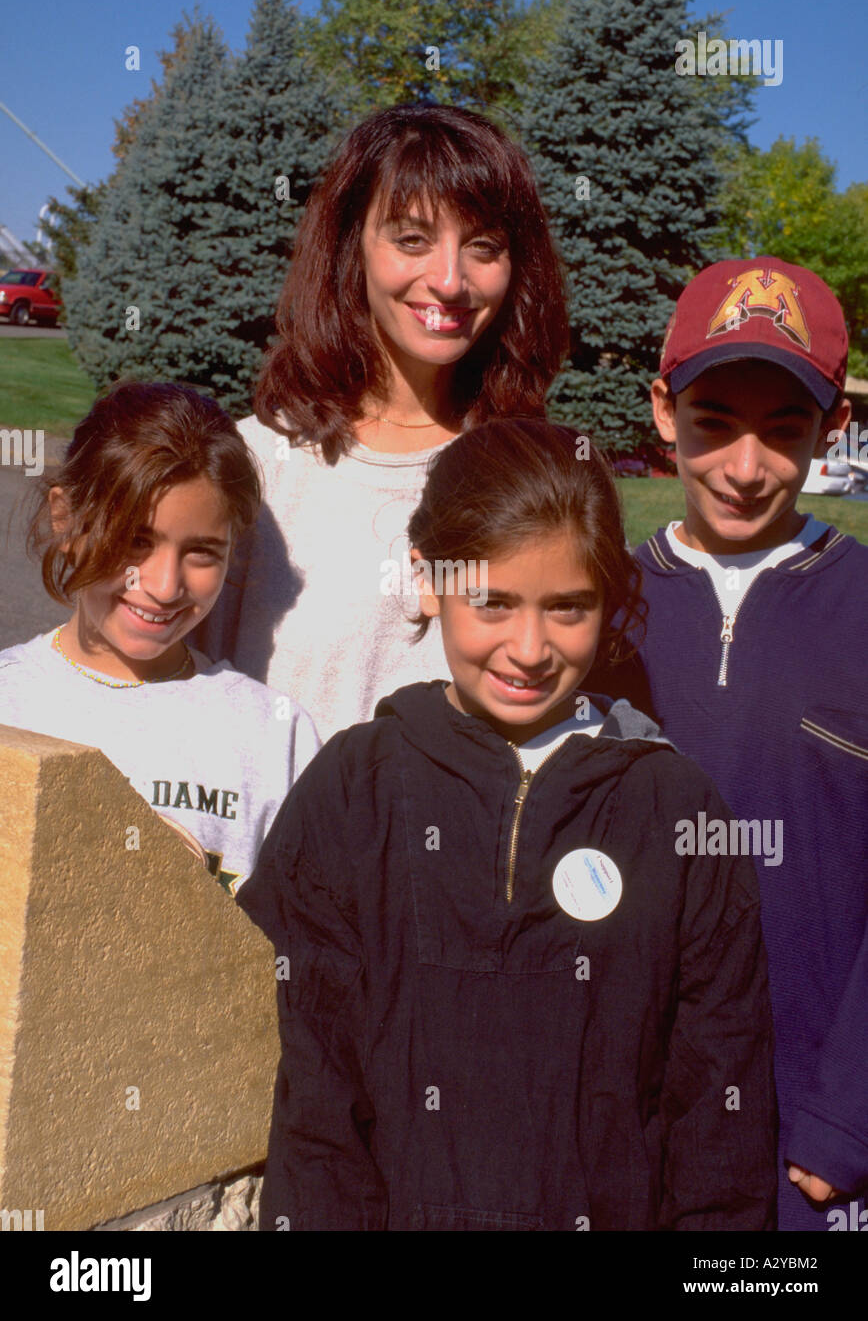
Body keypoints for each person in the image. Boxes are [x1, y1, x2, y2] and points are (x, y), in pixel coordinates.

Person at [238, 418, 777, 1231]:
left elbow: (719, 1123)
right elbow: (312, 1101)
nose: (529, 648)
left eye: (569, 608)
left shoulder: (677, 814)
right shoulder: (353, 790)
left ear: (611, 599)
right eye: (491, 602)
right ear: (427, 579)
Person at [588, 256, 868, 1232]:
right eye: (712, 423)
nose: (744, 466)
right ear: (661, 411)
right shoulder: (596, 614)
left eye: (783, 428)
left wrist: (846, 1120)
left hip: (810, 1146)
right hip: (626, 1118)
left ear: (831, 431)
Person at [194, 103, 570, 742]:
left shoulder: (543, 479)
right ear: (352, 248)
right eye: (412, 239)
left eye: (483, 246)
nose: (450, 281)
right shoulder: (251, 468)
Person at [0, 381, 319, 896]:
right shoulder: (8, 702)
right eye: (134, 540)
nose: (164, 585)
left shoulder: (275, 738)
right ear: (65, 518)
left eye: (202, 552)